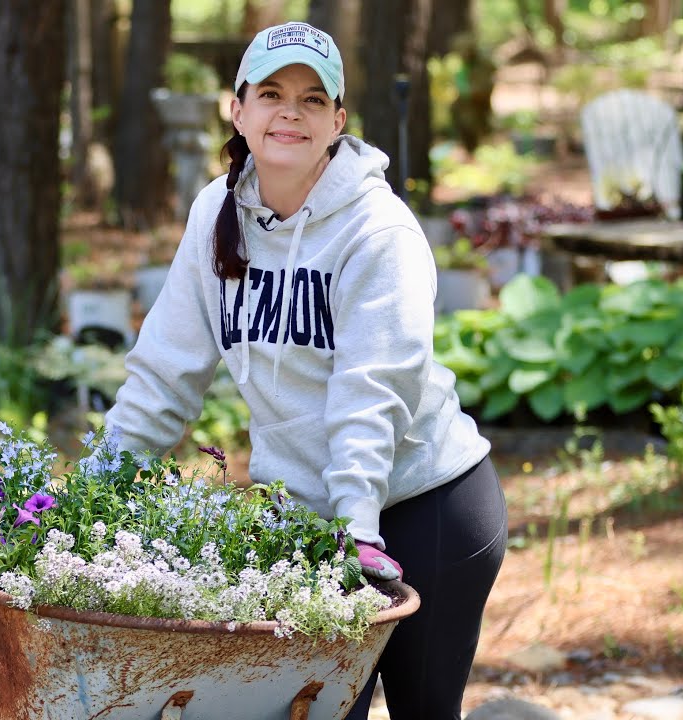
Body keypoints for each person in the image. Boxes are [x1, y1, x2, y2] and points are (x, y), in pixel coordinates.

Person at [103, 20, 506, 719]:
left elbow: (371, 394)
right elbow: (165, 373)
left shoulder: (378, 232)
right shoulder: (214, 213)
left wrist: (356, 528)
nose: (290, 110)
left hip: (424, 508)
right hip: (311, 521)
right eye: (272, 92)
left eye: (313, 99)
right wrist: (98, 490)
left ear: (338, 120)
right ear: (238, 109)